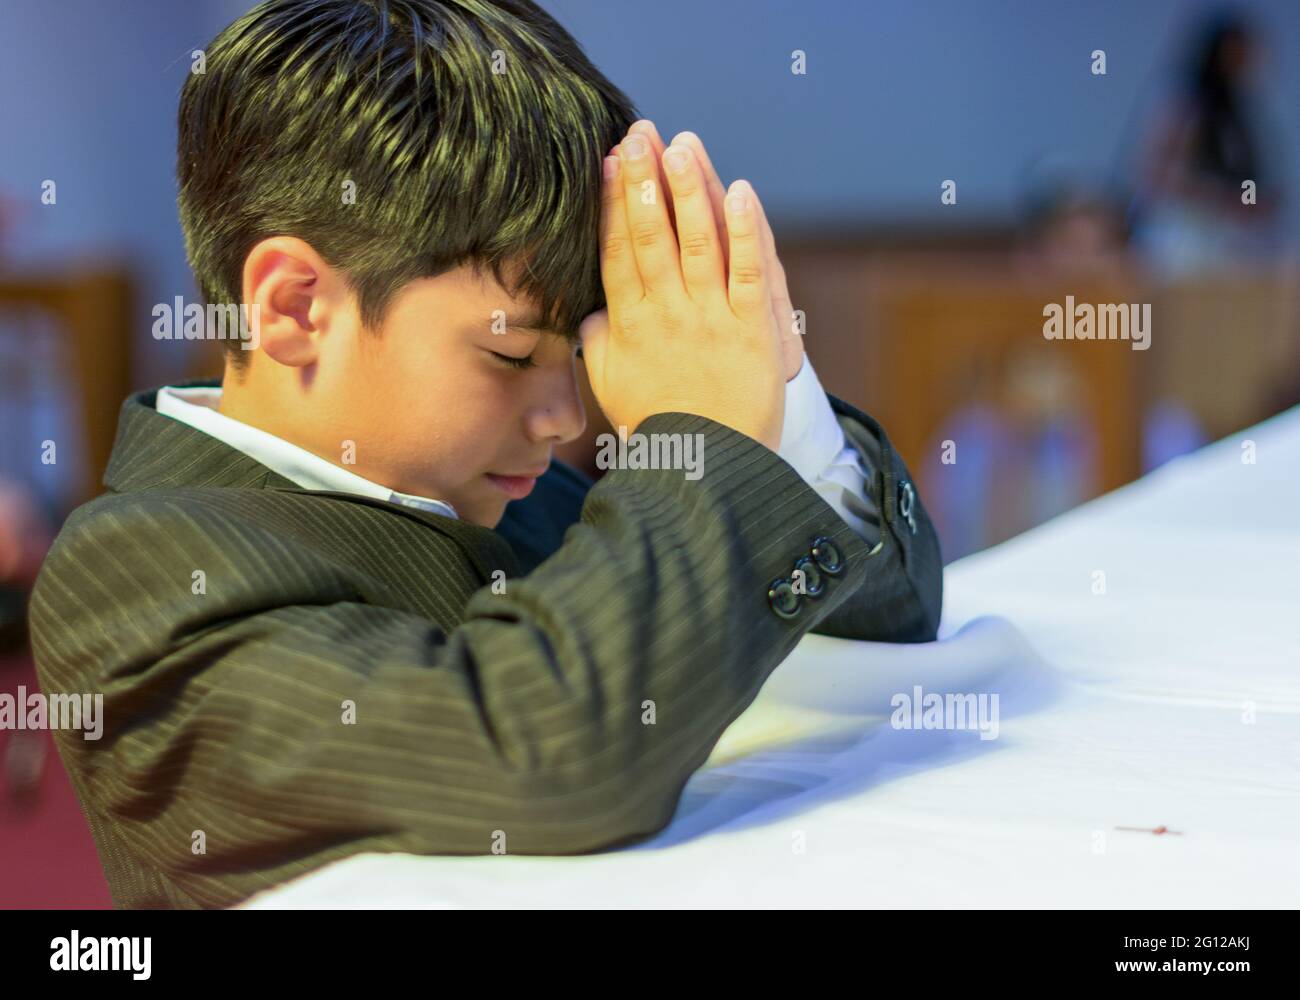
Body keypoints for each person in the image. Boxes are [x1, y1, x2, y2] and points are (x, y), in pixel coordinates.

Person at [29, 0, 941, 909]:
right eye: (511, 355)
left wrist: (776, 398)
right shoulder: (135, 574)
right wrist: (707, 442)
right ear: (296, 308)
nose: (563, 416)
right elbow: (542, 754)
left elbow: (887, 633)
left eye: (577, 355)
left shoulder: (497, 484)